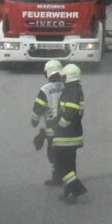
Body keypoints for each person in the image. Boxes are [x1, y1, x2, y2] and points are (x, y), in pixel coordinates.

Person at [49, 63, 88, 203]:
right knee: (70, 166)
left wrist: (59, 126)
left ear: (69, 77)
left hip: (66, 136)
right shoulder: (76, 89)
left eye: (64, 77)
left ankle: (77, 188)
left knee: (60, 164)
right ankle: (69, 193)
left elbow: (70, 113)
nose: (62, 79)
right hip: (74, 134)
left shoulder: (71, 91)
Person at [30, 61, 67, 186]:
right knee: (66, 153)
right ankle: (67, 176)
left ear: (48, 73)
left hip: (53, 129)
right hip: (68, 127)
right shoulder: (67, 86)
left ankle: (58, 177)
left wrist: (34, 121)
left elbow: (38, 108)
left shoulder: (45, 90)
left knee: (53, 155)